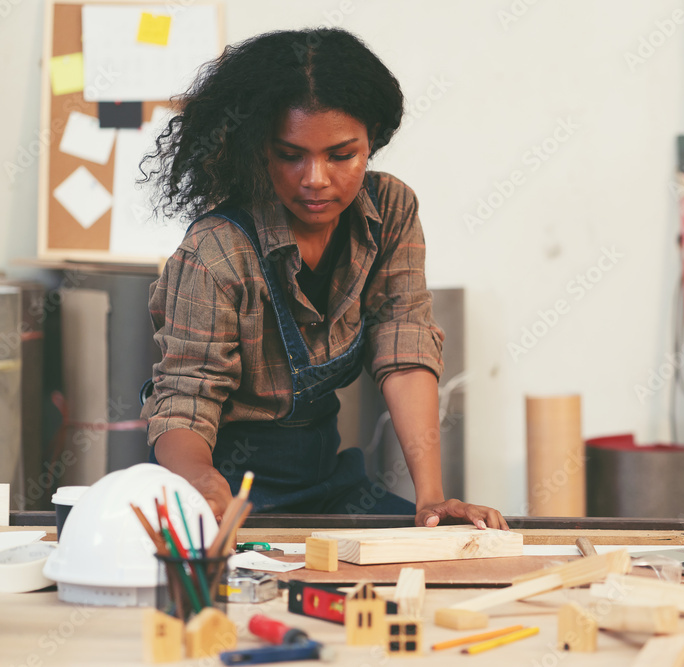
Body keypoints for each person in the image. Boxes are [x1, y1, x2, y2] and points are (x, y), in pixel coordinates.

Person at [139, 28, 507, 530]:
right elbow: (186, 400)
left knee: (434, 547)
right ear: (260, 147)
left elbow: (404, 347)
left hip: (329, 486)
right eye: (291, 155)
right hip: (226, 490)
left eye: (340, 155)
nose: (315, 178)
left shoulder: (390, 211)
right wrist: (201, 483)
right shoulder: (215, 253)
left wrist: (431, 500)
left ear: (372, 138)